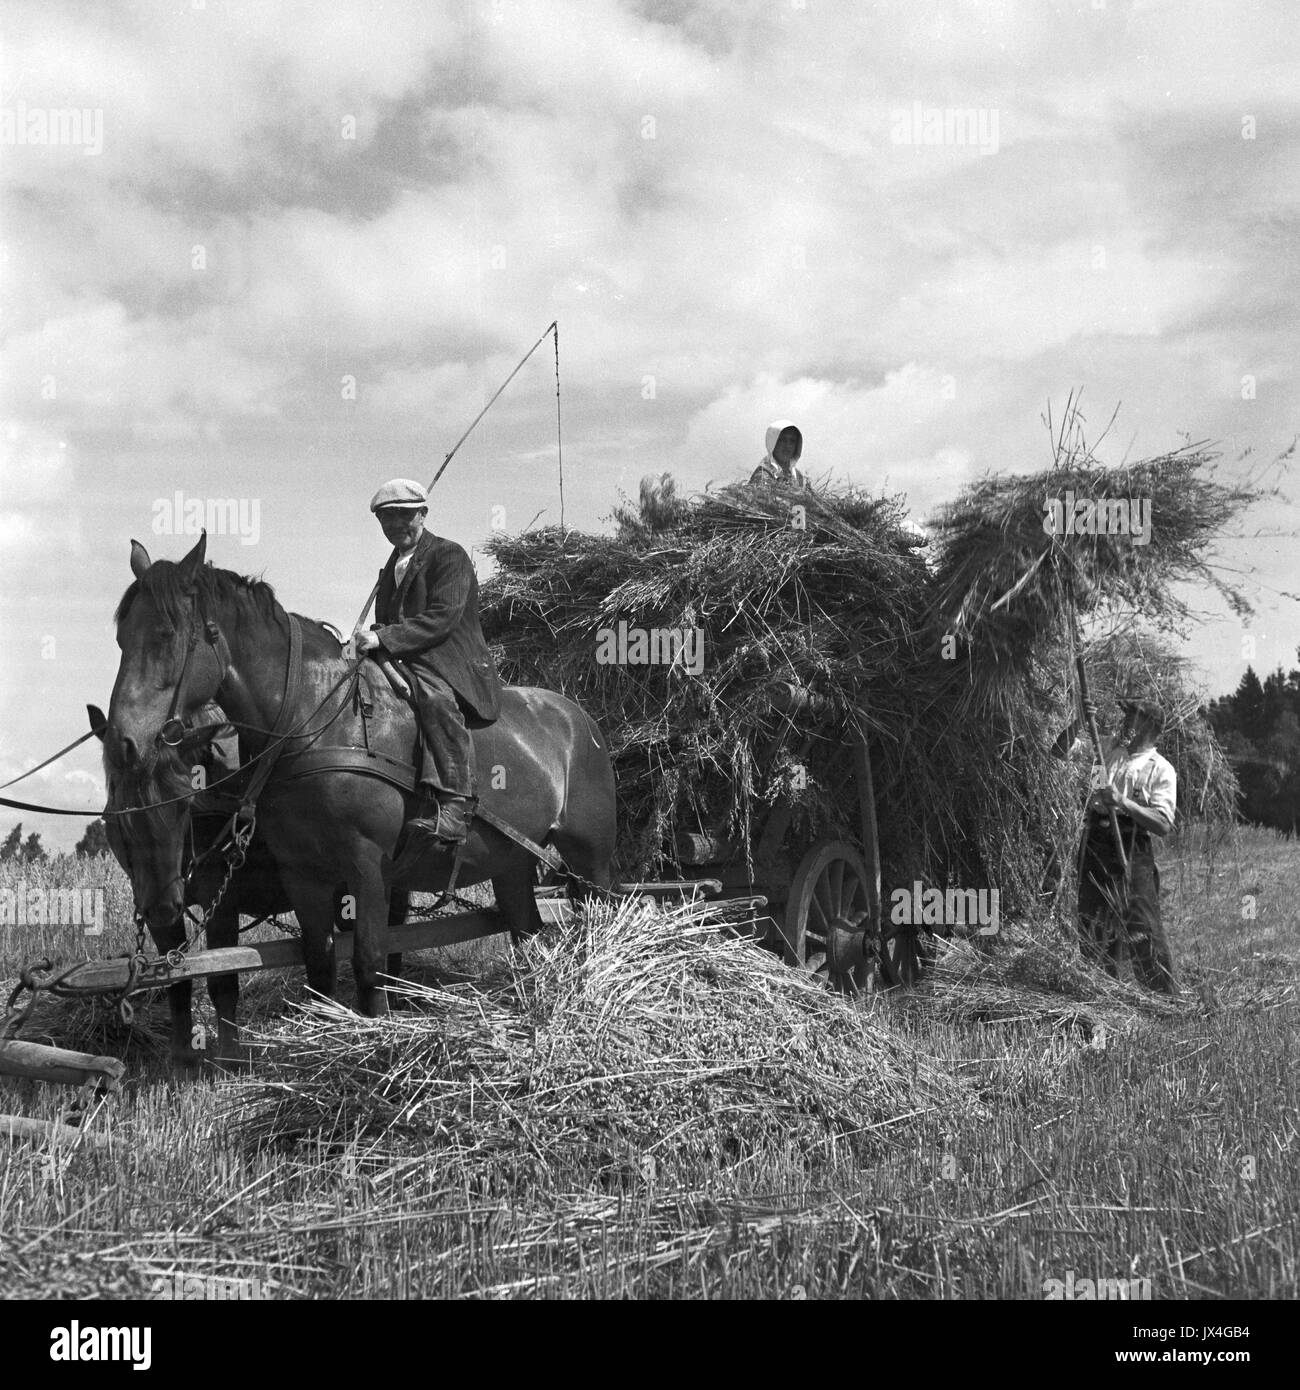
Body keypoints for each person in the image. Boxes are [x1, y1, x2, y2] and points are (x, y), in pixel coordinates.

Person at [352, 479, 503, 848]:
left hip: (451, 659)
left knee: (434, 699)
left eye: (403, 517)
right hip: (410, 656)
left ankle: (454, 804)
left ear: (423, 514)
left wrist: (385, 638)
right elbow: (390, 619)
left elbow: (442, 618)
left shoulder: (450, 556)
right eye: (386, 520)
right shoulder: (390, 567)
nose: (394, 527)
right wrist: (371, 637)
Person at [1051, 691, 1178, 994]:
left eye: (1131, 715)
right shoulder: (1104, 747)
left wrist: (1121, 802)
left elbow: (1162, 823)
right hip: (1096, 841)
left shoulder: (1159, 768)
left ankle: (1163, 1000)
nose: (1124, 720)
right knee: (1092, 921)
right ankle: (1101, 994)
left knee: (1141, 925)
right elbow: (1057, 751)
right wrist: (1080, 719)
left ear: (1149, 725)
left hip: (1131, 846)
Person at [749, 420, 808, 489]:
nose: (787, 446)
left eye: (792, 441)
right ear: (772, 443)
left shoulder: (798, 477)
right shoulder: (762, 476)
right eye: (782, 440)